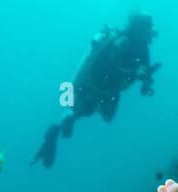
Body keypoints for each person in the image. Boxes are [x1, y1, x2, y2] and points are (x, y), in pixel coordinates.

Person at [31, 14, 160, 168]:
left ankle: (64, 122)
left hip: (111, 89)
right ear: (138, 28)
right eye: (147, 27)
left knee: (105, 116)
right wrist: (134, 73)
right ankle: (54, 132)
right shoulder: (122, 43)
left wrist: (146, 82)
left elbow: (144, 67)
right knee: (83, 111)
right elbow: (110, 69)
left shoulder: (141, 44)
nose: (151, 31)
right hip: (97, 86)